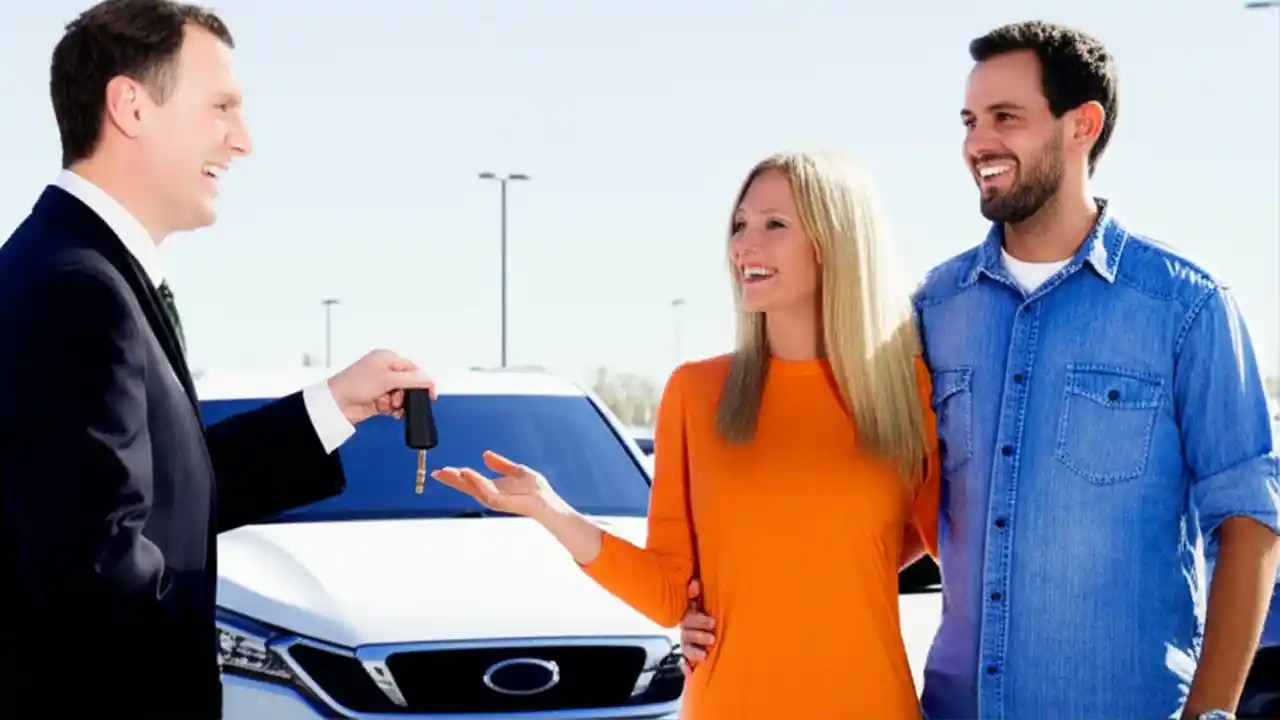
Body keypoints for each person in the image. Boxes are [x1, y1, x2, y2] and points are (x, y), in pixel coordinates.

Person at [678, 20, 1280, 720]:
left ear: (1082, 125)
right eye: (969, 121)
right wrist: (726, 603)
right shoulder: (933, 311)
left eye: (1006, 118)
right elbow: (868, 511)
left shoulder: (1185, 307)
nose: (976, 144)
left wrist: (1209, 715)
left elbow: (1247, 521)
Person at [0, 1, 436, 718]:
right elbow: (90, 571)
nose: (243, 140)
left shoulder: (78, 270)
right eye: (221, 106)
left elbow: (165, 495)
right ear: (130, 106)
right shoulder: (76, 290)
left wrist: (331, 406)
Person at [433, 150, 942, 718]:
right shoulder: (697, 393)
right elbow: (669, 592)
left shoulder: (908, 390)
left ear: (838, 243)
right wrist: (553, 512)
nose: (744, 244)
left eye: (774, 225)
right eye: (739, 224)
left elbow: (955, 544)